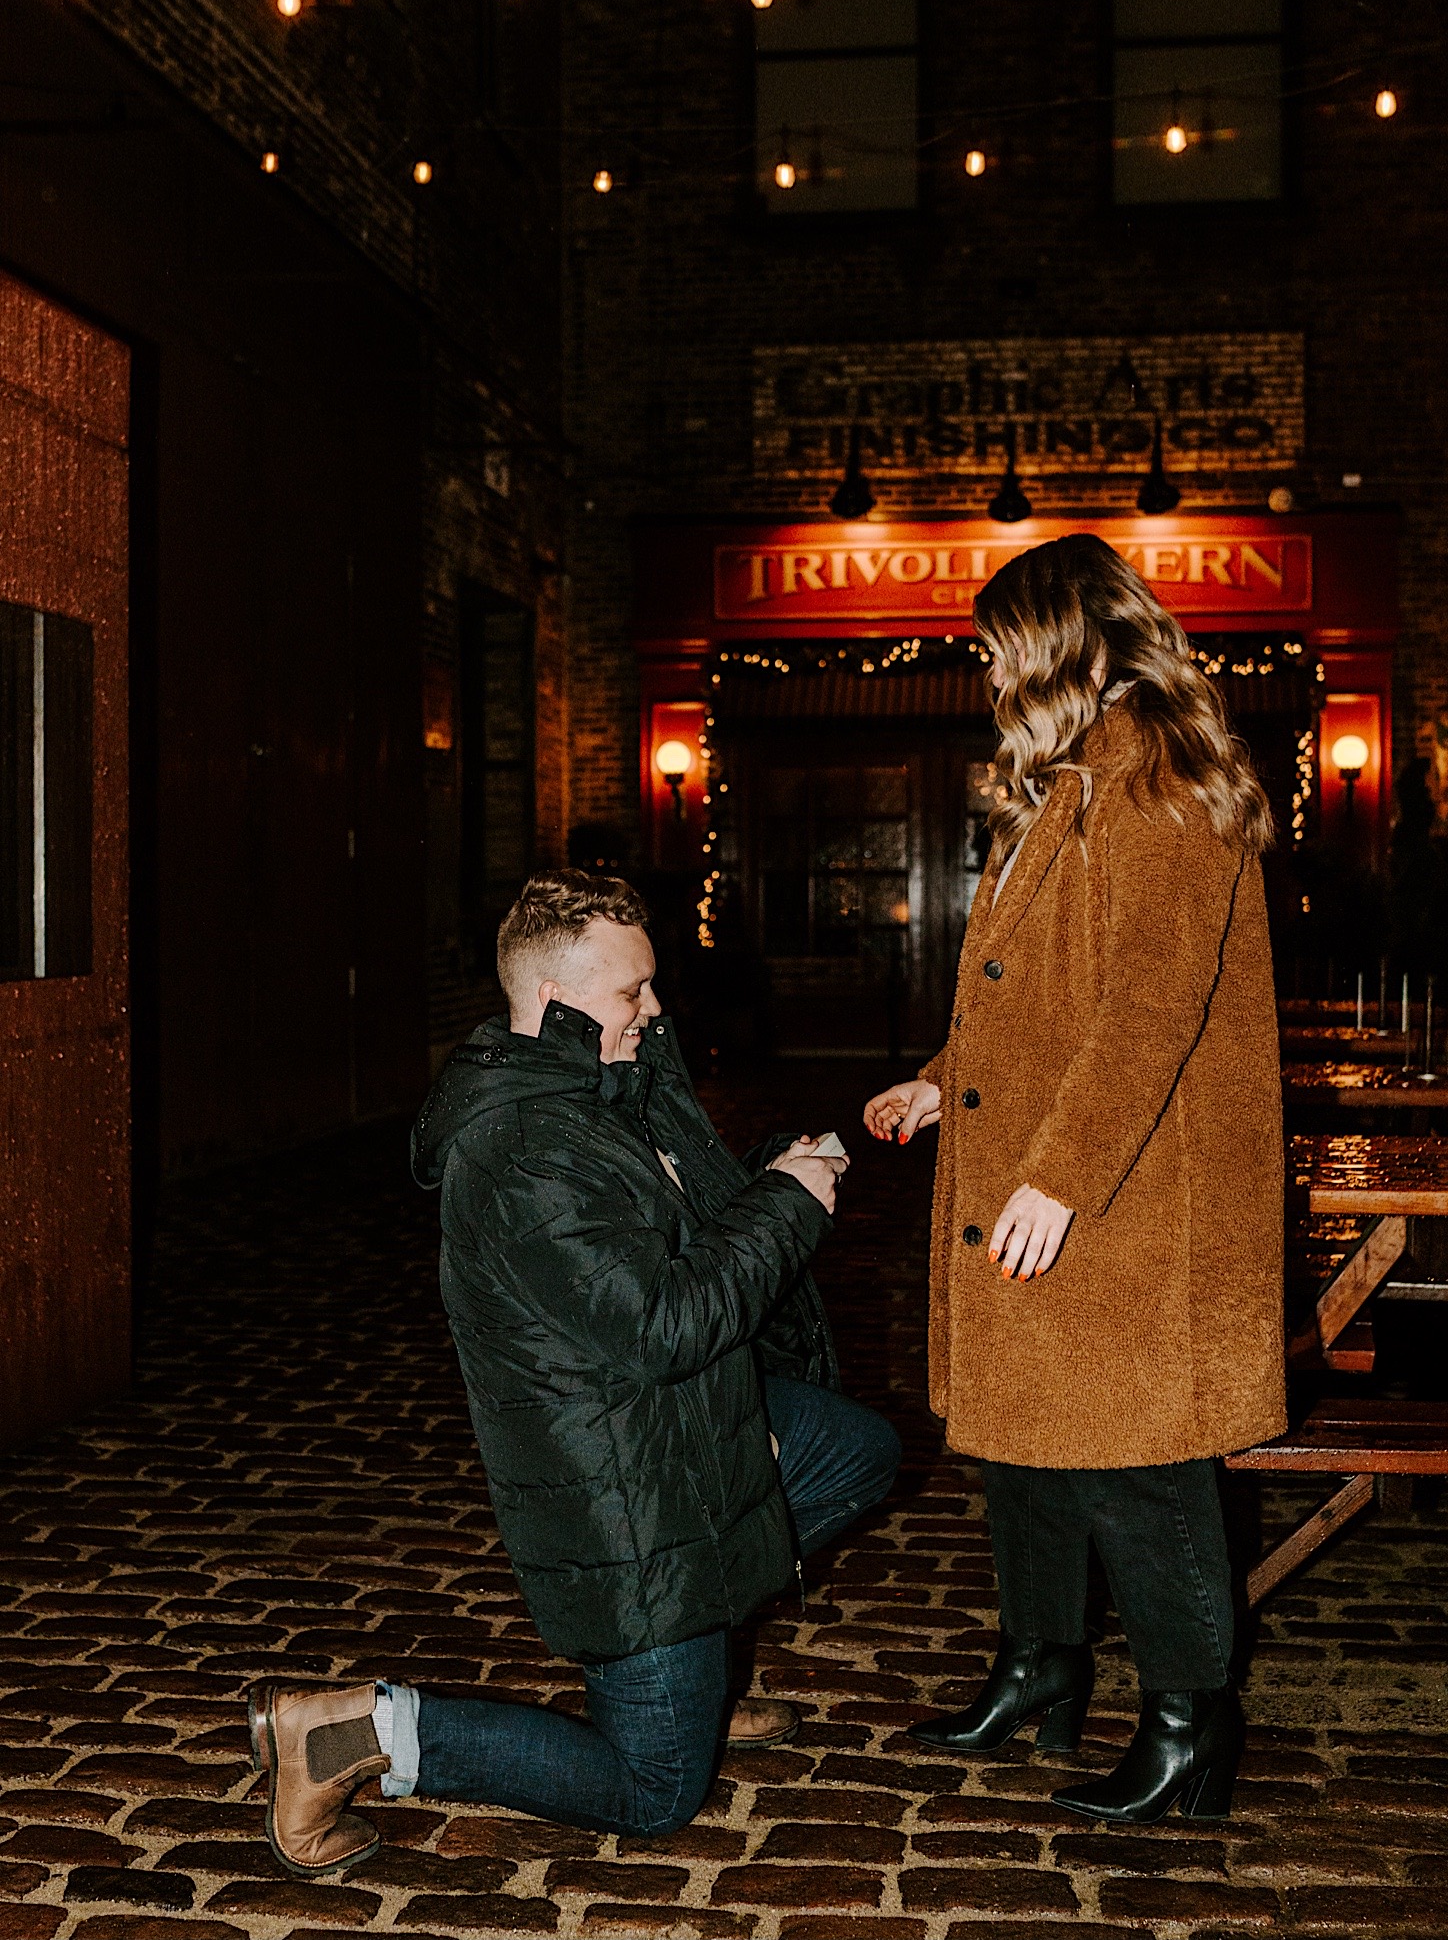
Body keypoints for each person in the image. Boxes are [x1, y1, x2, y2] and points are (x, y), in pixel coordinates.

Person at [250, 868, 899, 1875]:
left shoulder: (598, 1086)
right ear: (555, 999)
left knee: (852, 1449)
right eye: (632, 990)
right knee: (656, 1792)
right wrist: (788, 1207)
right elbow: (664, 1325)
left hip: (674, 1423)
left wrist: (773, 1172)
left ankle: (692, 1674)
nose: (655, 1007)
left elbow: (670, 1244)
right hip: (622, 1491)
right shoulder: (525, 1149)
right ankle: (346, 1732)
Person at [864, 534, 1285, 1824]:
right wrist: (941, 1077)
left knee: (1139, 1462)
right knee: (1027, 1444)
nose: (990, 670)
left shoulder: (1156, 773)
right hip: (1060, 1167)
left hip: (1133, 1190)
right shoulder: (1079, 775)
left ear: (1065, 646)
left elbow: (1150, 1007)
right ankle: (1039, 1664)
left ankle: (1191, 1723)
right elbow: (1039, 993)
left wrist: (1061, 1175)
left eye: (1002, 646)